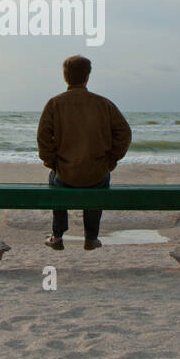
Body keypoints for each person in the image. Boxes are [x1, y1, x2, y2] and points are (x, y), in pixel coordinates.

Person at [36, 55, 132, 250]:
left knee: (53, 180)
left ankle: (57, 234)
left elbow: (43, 138)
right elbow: (125, 133)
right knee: (100, 182)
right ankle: (91, 237)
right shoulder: (103, 104)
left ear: (65, 77)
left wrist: (52, 163)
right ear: (87, 77)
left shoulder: (55, 103)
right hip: (97, 173)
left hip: (65, 174)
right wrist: (111, 160)